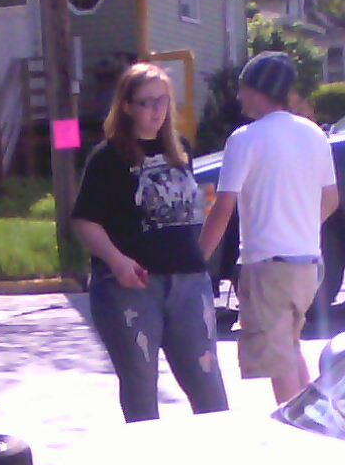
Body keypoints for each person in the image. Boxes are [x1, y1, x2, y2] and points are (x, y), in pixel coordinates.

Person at [70, 62, 228, 422]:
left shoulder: (180, 150)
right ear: (126, 106)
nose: (157, 110)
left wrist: (198, 258)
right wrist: (117, 261)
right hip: (132, 287)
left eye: (163, 101)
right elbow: (85, 221)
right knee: (141, 388)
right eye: (146, 102)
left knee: (208, 388)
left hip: (188, 283)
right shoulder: (107, 158)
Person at [197, 51, 338, 404]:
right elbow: (332, 198)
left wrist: (197, 259)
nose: (239, 96)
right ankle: (313, 416)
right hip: (308, 265)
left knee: (279, 364)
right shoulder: (313, 134)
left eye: (243, 88)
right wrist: (301, 224)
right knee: (290, 350)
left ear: (258, 90)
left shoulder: (244, 139)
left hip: (267, 266)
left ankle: (298, 436)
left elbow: (223, 208)